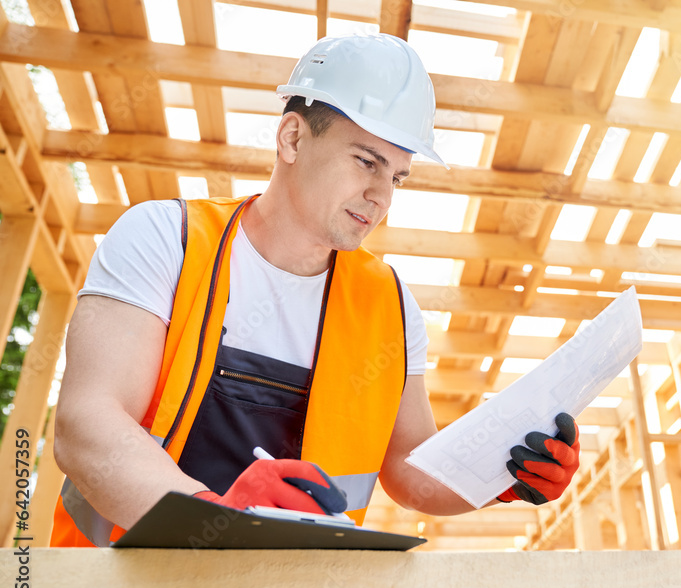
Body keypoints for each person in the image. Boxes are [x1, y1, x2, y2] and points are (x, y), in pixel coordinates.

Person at [50, 33, 581, 547]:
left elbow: (408, 467)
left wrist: (500, 475)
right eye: (366, 161)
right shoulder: (168, 240)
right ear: (292, 138)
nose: (380, 197)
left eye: (396, 177)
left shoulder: (389, 305)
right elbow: (87, 421)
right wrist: (212, 515)